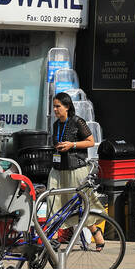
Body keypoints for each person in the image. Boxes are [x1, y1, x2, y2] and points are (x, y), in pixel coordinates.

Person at [49, 92, 105, 251]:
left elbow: (91, 141)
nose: (55, 109)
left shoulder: (77, 121)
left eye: (58, 106)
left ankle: (96, 233)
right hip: (58, 169)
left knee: (80, 204)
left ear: (67, 107)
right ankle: (52, 238)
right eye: (53, 106)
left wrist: (72, 145)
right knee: (54, 201)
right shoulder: (56, 125)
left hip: (76, 169)